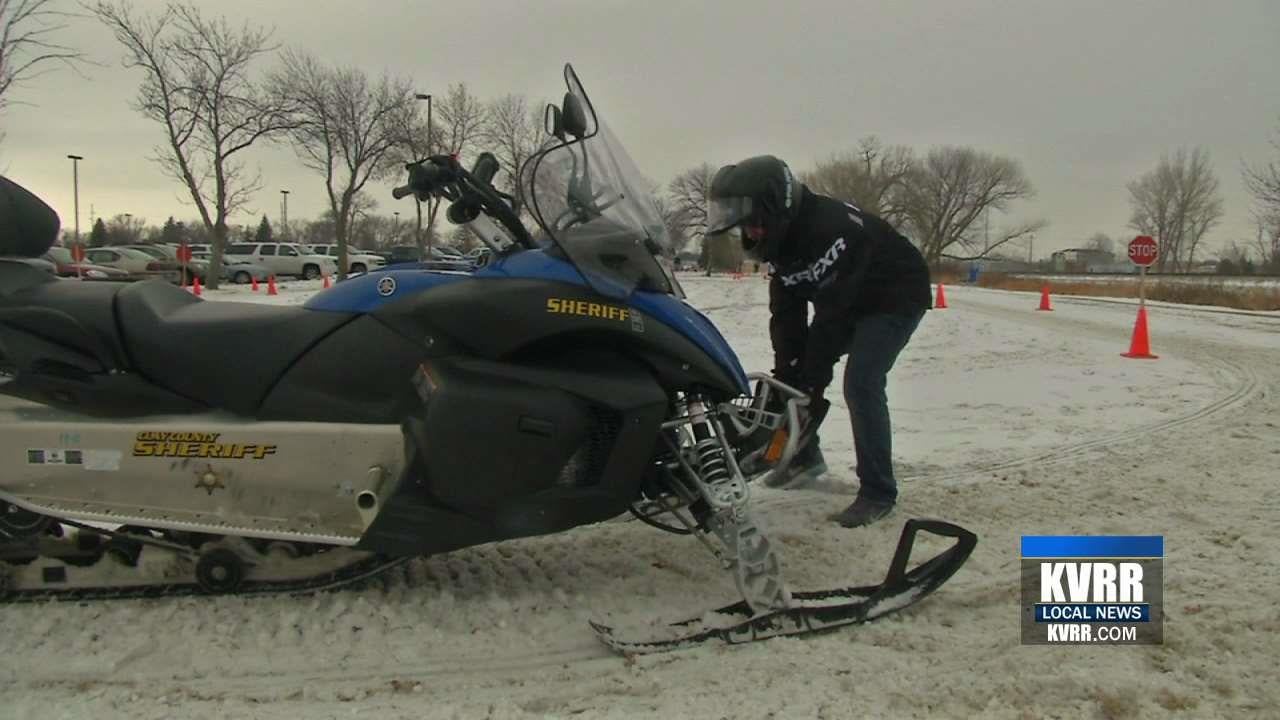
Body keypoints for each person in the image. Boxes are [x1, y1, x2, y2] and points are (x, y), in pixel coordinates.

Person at [706, 155, 932, 527]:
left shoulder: (831, 230)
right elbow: (787, 317)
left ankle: (878, 492)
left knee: (861, 382)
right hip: (846, 300)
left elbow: (831, 321)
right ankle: (804, 459)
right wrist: (789, 377)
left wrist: (812, 383)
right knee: (792, 377)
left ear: (774, 208)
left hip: (894, 297)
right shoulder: (781, 243)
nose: (750, 234)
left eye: (753, 224)